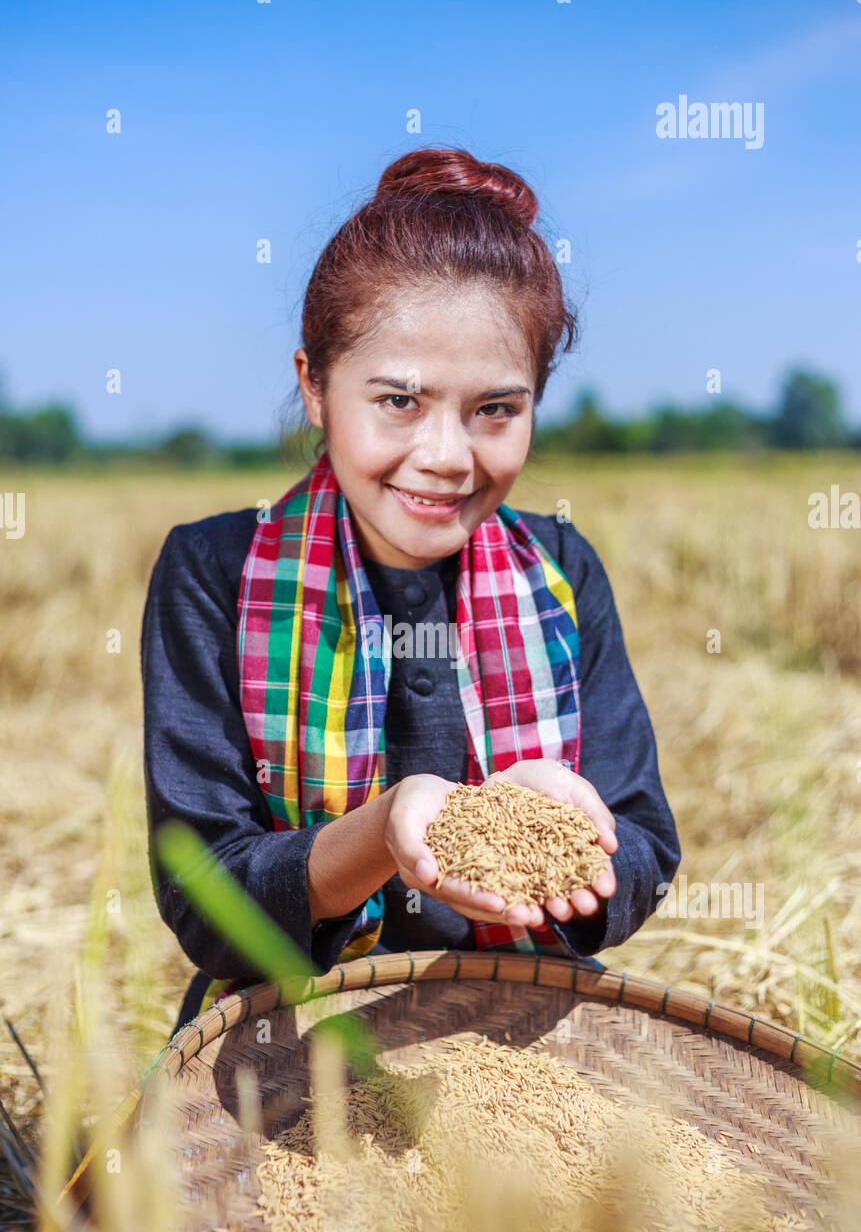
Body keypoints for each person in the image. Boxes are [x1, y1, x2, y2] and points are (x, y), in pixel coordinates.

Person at [140, 146, 681, 1034]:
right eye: (398, 401)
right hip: (291, 1031)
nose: (446, 457)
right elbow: (206, 898)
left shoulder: (561, 568)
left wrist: (563, 840)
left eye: (495, 410)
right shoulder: (215, 572)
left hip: (518, 1024)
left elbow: (646, 851)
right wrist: (387, 831)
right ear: (314, 385)